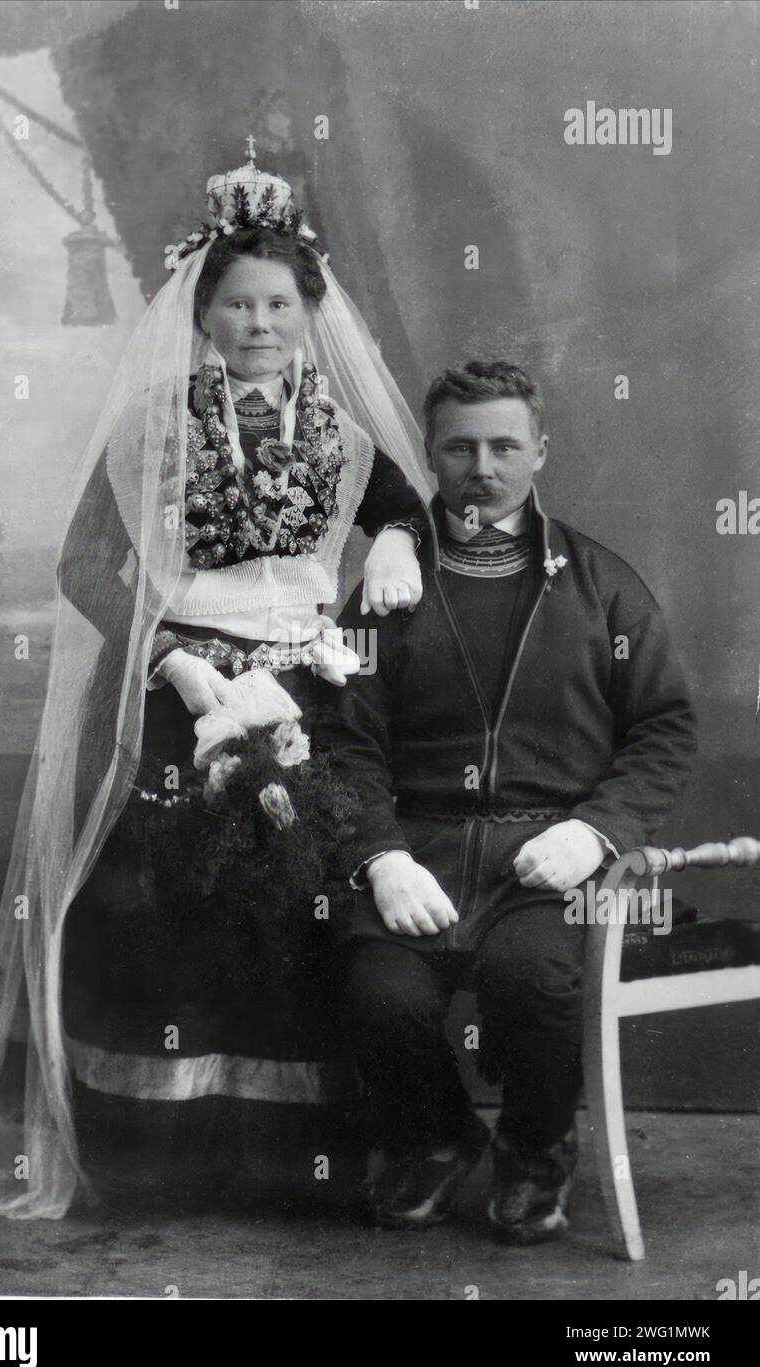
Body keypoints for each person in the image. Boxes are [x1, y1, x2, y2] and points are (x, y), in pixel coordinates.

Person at [0, 149, 433, 1219]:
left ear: (309, 310)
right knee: (167, 913)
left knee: (293, 908)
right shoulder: (151, 426)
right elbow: (79, 569)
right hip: (171, 697)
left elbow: (407, 507)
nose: (259, 323)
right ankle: (157, 1159)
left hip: (304, 694)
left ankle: (291, 1162)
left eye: (279, 303)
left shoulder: (337, 436)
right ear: (202, 313)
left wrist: (392, 542)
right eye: (237, 304)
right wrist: (171, 656)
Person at [316, 360, 697, 1241]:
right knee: (380, 993)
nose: (481, 466)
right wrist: (381, 855)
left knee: (534, 978)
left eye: (503, 445)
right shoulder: (386, 591)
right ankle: (435, 1138)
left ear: (539, 453)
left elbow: (666, 729)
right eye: (459, 446)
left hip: (548, 855)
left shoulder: (603, 585)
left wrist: (597, 833)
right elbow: (343, 741)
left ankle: (534, 1150)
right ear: (432, 454)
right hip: (421, 851)